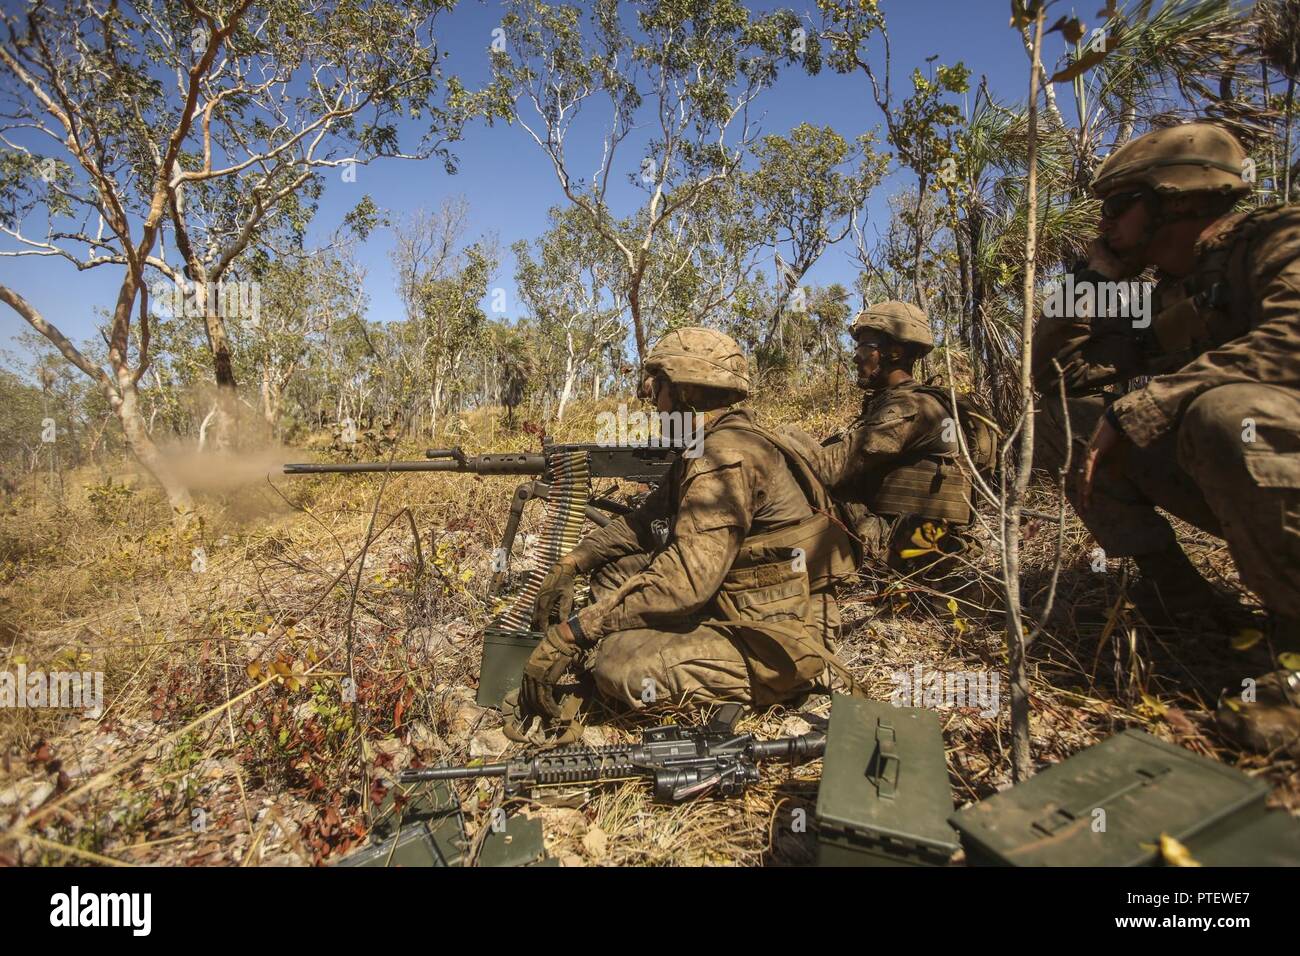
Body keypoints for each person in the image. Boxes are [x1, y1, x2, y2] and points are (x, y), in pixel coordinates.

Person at [1032, 121, 1300, 757]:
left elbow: (1292, 342)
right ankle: (1188, 609)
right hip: (1248, 475)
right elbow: (1060, 373)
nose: (1105, 224)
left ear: (1176, 199)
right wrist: (1091, 279)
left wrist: (1153, 401)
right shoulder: (1161, 294)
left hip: (1264, 445)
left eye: (1119, 207)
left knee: (1224, 413)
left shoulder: (1281, 238)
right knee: (1065, 421)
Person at [516, 327, 859, 723]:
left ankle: (786, 683)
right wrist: (575, 561)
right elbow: (644, 522)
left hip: (783, 632)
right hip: (744, 593)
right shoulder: (709, 443)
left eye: (658, 387)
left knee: (619, 668)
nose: (653, 401)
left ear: (684, 391)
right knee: (613, 571)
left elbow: (685, 581)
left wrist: (576, 632)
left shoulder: (724, 456)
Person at [801, 301, 993, 605]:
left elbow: (828, 470)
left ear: (894, 353)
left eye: (865, 346)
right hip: (913, 539)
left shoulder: (910, 407)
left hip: (906, 546)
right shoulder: (909, 401)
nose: (855, 356)